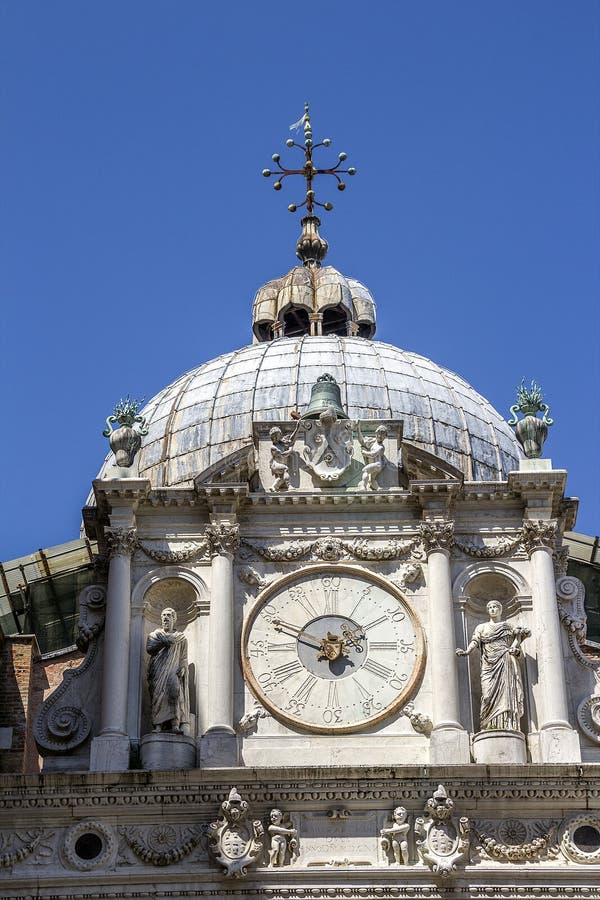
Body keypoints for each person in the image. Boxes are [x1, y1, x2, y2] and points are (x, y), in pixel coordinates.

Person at [456, 600, 529, 731]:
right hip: (488, 665)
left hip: (505, 661)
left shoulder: (508, 626)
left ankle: (508, 725)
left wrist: (515, 648)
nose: (492, 609)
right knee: (487, 695)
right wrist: (467, 651)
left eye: (495, 607)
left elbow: (517, 641)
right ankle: (487, 725)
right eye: (490, 607)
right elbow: (475, 641)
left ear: (500, 609)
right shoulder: (481, 627)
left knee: (506, 694)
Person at [146, 607, 190, 734]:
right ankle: (158, 726)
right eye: (163, 615)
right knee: (157, 696)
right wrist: (164, 642)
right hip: (158, 672)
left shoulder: (180, 638)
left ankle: (175, 724)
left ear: (174, 619)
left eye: (169, 616)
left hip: (173, 671)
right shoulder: (154, 635)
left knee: (174, 694)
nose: (165, 617)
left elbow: (184, 657)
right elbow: (149, 649)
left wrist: (182, 668)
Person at [357, 424, 387, 491]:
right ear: (376, 433)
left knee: (365, 470)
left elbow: (373, 454)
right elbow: (361, 441)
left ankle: (363, 487)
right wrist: (358, 428)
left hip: (377, 464)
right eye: (379, 433)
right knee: (372, 479)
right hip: (376, 465)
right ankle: (378, 488)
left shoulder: (381, 447)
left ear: (385, 437)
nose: (380, 436)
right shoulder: (372, 442)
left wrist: (365, 453)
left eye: (382, 435)